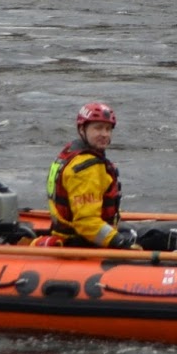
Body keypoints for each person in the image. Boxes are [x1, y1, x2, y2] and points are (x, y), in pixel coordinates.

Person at [44, 101, 138, 249]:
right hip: (83, 242)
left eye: (108, 129)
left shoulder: (71, 153)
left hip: (68, 234)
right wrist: (120, 242)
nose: (104, 134)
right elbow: (86, 223)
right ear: (82, 129)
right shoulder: (86, 168)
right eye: (98, 128)